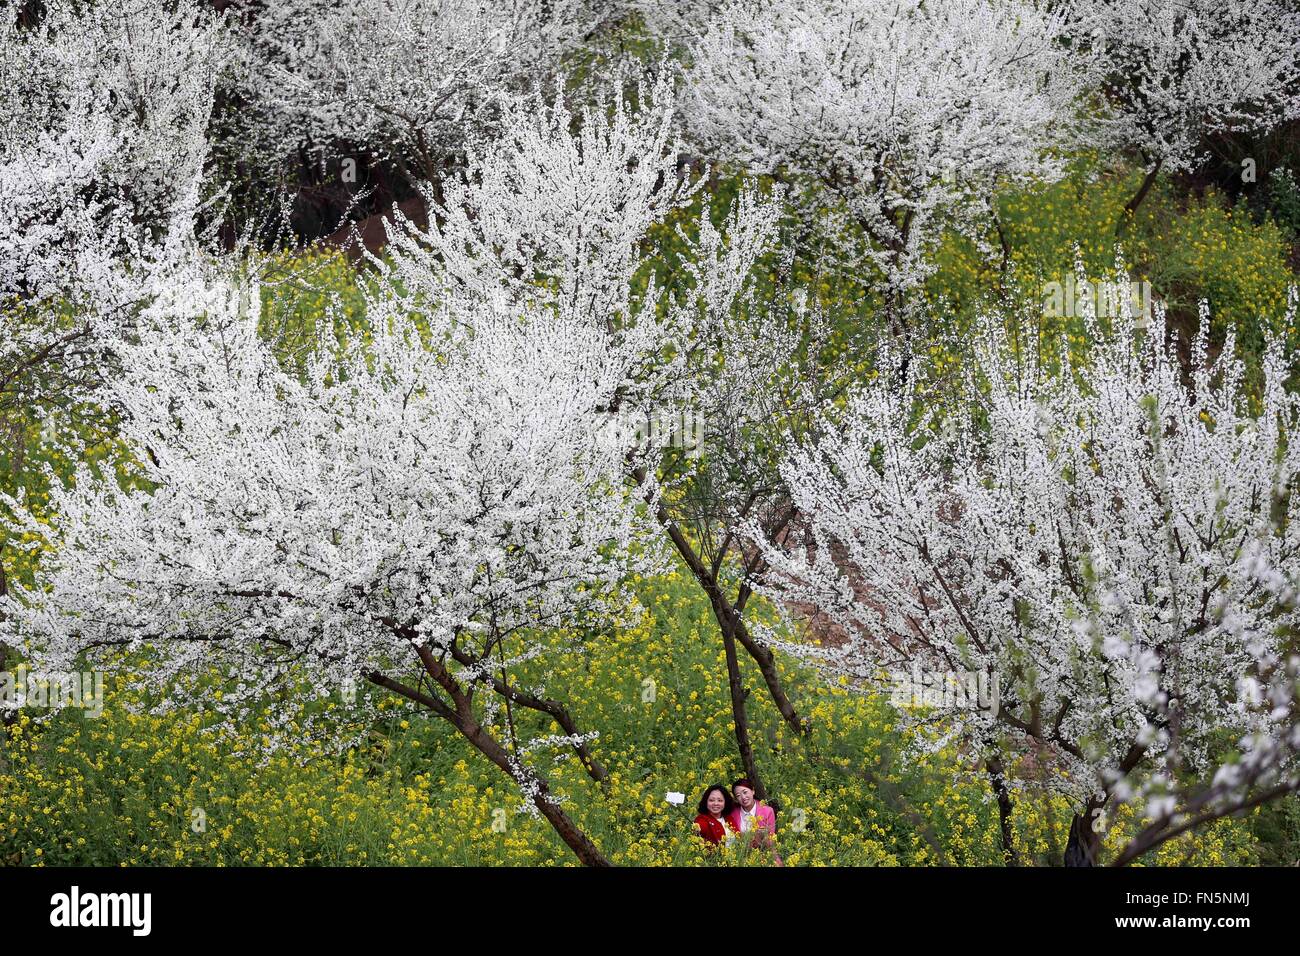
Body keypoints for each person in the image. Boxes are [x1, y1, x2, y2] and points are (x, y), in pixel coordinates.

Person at [728, 778, 777, 850]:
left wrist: (762, 836)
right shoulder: (732, 812)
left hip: (761, 853)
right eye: (738, 795)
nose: (743, 797)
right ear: (736, 799)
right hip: (738, 853)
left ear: (753, 791)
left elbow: (771, 841)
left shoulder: (768, 811)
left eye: (745, 792)